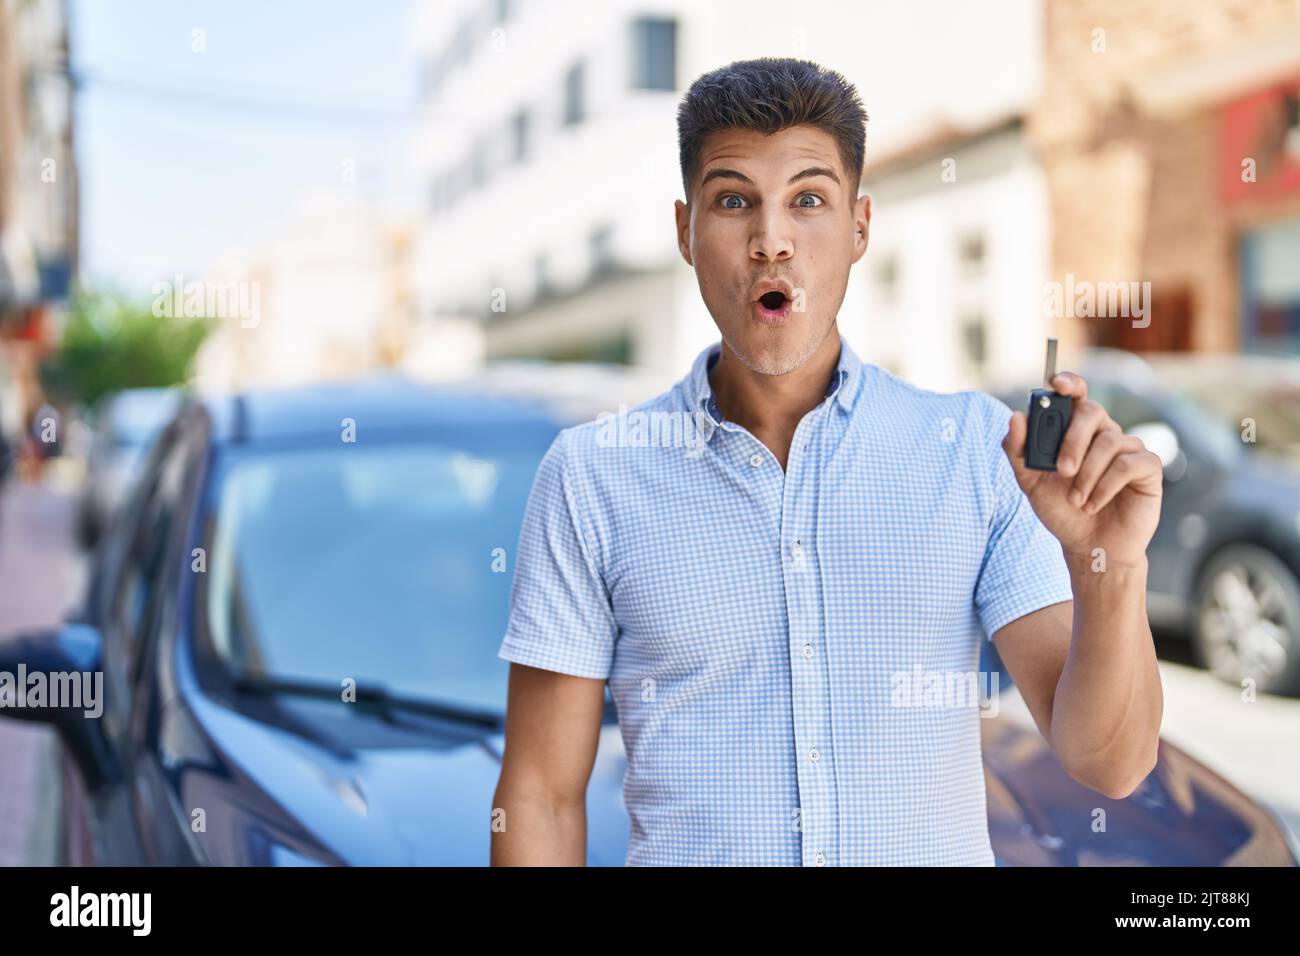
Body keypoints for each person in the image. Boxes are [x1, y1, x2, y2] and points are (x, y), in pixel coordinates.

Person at [491, 57, 1164, 866]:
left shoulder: (979, 455)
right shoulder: (591, 476)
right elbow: (540, 798)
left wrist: (1110, 568)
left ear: (859, 229)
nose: (771, 240)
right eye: (733, 201)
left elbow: (1111, 763)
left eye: (808, 200)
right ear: (685, 232)